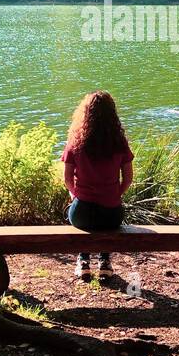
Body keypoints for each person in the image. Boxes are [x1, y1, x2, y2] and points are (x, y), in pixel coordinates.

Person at [61, 91, 134, 281]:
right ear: (112, 115)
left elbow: (68, 179)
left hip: (82, 213)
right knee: (107, 221)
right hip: (112, 214)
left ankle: (83, 261)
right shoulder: (119, 143)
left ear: (85, 114)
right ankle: (104, 262)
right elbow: (128, 179)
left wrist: (76, 195)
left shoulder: (76, 142)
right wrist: (114, 194)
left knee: (80, 215)